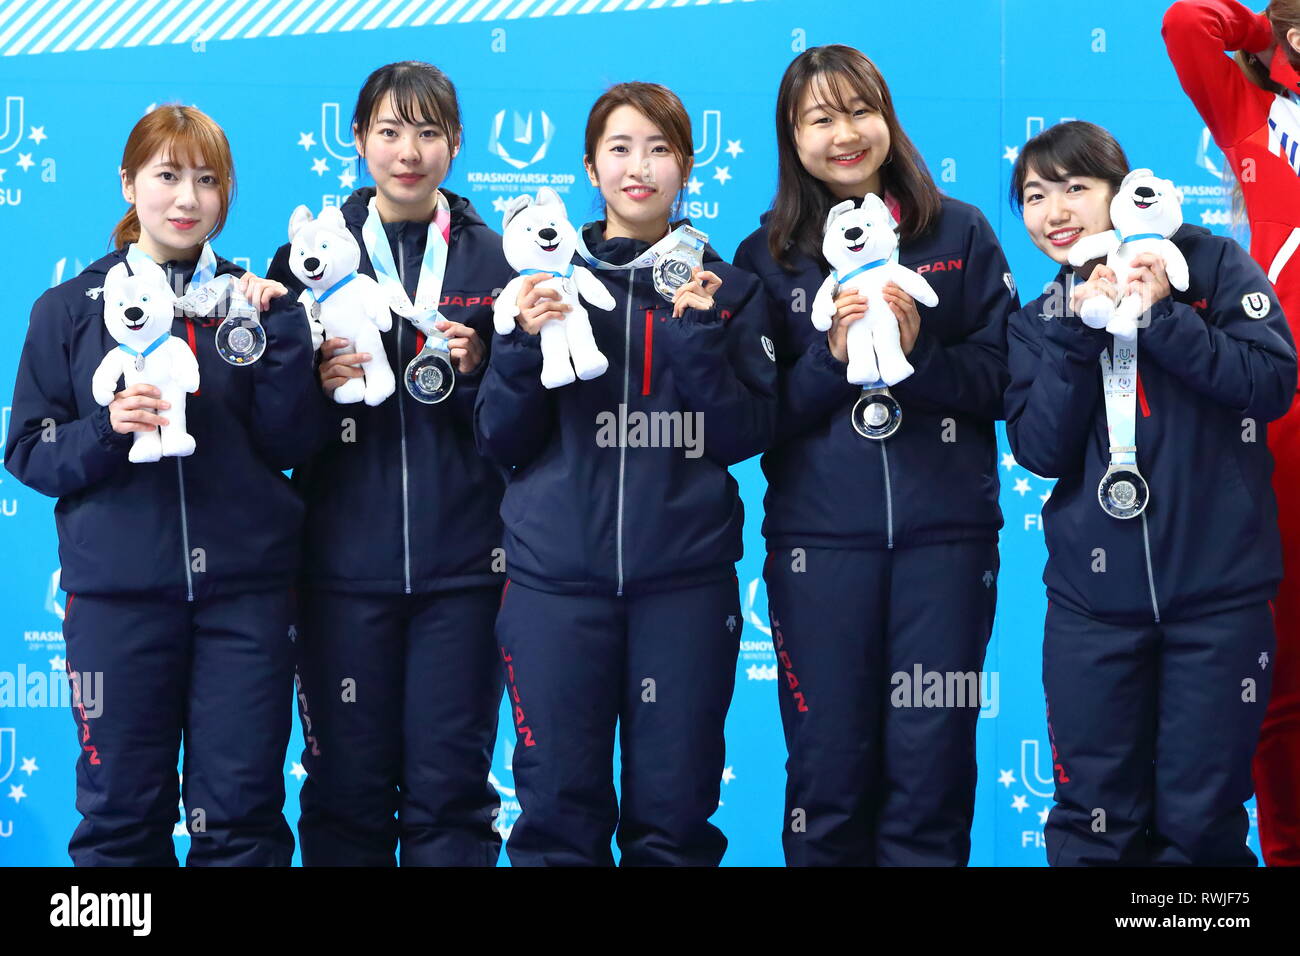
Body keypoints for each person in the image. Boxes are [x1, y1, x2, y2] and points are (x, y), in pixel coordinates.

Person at [4, 104, 319, 866]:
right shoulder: (68, 310)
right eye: (168, 176)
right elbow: (29, 450)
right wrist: (108, 429)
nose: (187, 200)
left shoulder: (256, 303)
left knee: (241, 815)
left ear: (228, 192)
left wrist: (283, 341)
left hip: (246, 598)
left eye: (207, 181)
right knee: (120, 816)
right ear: (128, 183)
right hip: (117, 604)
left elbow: (296, 445)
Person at [475, 81, 777, 866]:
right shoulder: (545, 282)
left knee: (674, 821)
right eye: (619, 148)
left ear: (686, 166)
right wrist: (516, 345)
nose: (638, 167)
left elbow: (743, 436)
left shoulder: (729, 287)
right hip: (553, 586)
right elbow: (500, 440)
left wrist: (700, 344)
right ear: (589, 166)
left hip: (683, 585)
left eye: (659, 148)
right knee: (555, 818)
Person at [732, 44, 1017, 867]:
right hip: (821, 551)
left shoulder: (958, 232)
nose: (845, 134)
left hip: (948, 548)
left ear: (888, 118)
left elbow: (1003, 381)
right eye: (820, 119)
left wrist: (919, 353)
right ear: (793, 137)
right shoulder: (769, 256)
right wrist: (829, 355)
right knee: (827, 775)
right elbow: (756, 419)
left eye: (860, 111)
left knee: (932, 778)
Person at [1005, 119, 1297, 865]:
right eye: (1036, 196)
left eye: (1076, 188)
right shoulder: (1042, 317)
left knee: (1200, 826)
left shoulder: (1210, 266)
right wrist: (1077, 335)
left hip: (1218, 602)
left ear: (1122, 192)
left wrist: (1163, 316)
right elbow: (1039, 450)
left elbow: (1271, 383)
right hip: (1092, 611)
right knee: (1093, 821)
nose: (1056, 211)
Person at [265, 61, 511, 867]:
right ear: (360, 139)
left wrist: (483, 375)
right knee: (345, 797)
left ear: (457, 144)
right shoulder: (304, 256)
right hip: (340, 573)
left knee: (454, 797)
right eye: (390, 131)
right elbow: (273, 438)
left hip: (465, 575)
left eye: (429, 132)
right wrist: (310, 385)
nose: (409, 151)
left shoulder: (497, 260)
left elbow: (526, 432)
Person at [1163, 0, 1300, 868]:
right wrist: (1269, 36)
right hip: (1288, 409)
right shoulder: (1261, 114)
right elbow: (1186, 23)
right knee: (1281, 658)